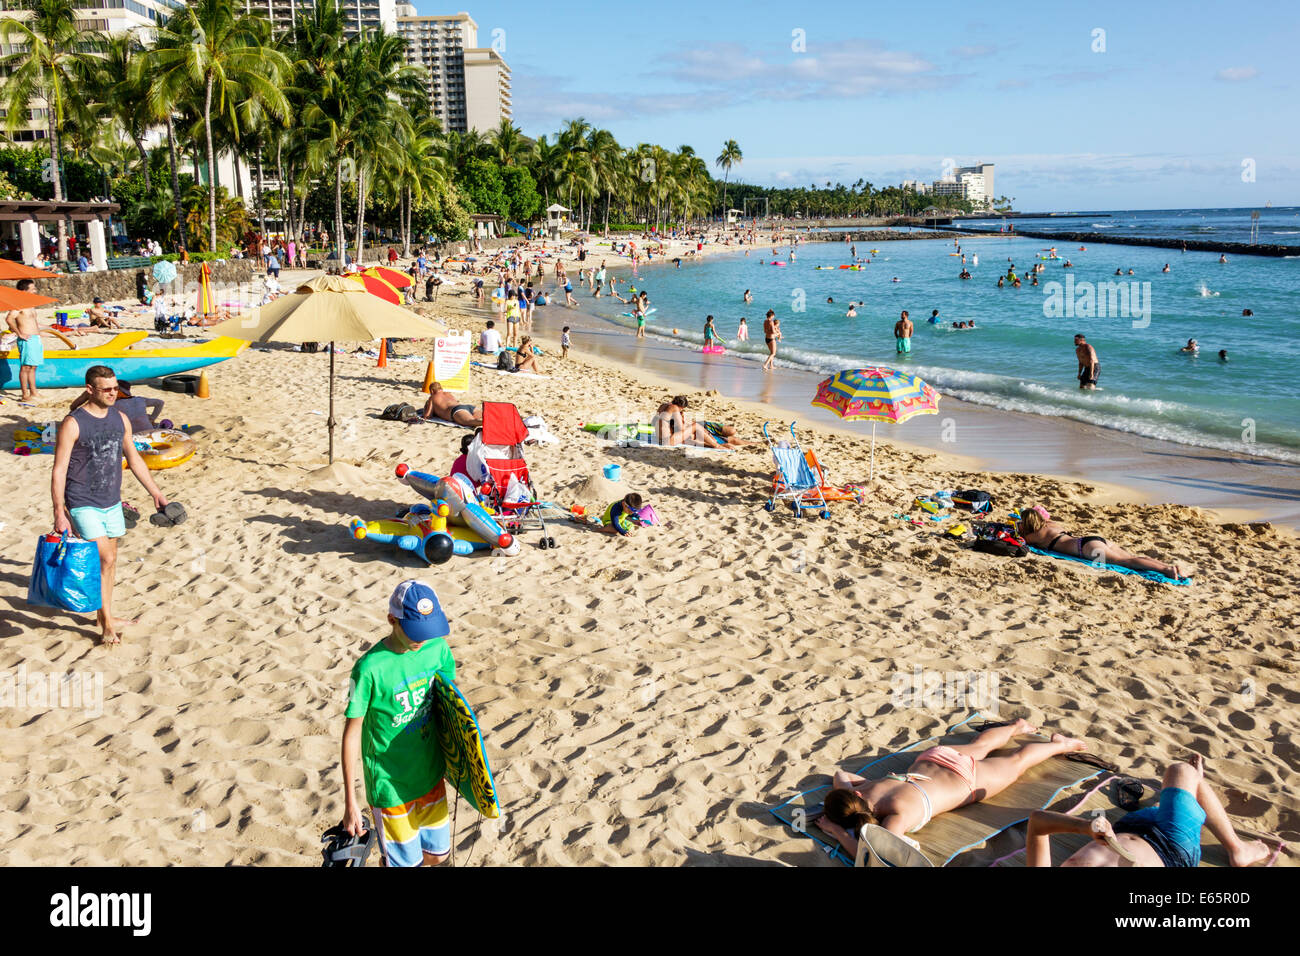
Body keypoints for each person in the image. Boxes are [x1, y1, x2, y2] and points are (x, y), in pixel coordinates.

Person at [815, 720, 1087, 856]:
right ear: (854, 796)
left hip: (965, 780)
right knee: (982, 745)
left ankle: (1064, 745)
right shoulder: (865, 790)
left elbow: (874, 854)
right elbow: (840, 774)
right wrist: (844, 792)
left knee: (1018, 761)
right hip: (935, 758)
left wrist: (837, 831)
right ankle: (1018, 726)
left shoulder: (896, 817)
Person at [339, 580, 456, 867]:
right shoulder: (368, 669)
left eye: (428, 631)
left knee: (439, 857)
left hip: (431, 776)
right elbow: (351, 735)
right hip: (391, 786)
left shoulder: (436, 649)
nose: (422, 640)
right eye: (415, 632)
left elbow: (451, 706)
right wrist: (350, 803)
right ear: (392, 619)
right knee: (406, 864)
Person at [51, 365, 170, 646]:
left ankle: (104, 615)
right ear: (90, 390)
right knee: (105, 558)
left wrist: (155, 492)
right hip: (81, 501)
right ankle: (105, 626)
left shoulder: (120, 418)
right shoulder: (73, 422)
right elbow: (59, 469)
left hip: (111, 500)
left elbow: (135, 458)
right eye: (107, 389)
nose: (113, 393)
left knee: (110, 563)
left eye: (115, 388)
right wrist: (59, 511)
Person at [1026, 754, 1272, 868]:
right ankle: (1238, 849)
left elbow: (1037, 822)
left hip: (1127, 828)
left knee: (1167, 799)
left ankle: (1194, 788)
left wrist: (1085, 827)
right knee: (1181, 772)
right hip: (1172, 849)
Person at [1017, 503, 1185, 578]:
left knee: (1125, 562)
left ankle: (1169, 569)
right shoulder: (1051, 524)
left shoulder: (1035, 535)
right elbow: (1041, 514)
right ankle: (1167, 567)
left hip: (1087, 549)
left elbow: (1021, 539)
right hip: (1094, 539)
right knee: (1131, 558)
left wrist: (1017, 527)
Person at [5, 279, 55, 401]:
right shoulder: (18, 305)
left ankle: (34, 392)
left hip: (35, 338)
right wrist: (19, 333)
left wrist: (49, 328)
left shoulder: (31, 305)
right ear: (24, 291)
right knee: (25, 367)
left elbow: (33, 322)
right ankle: (25, 395)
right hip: (27, 339)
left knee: (33, 367)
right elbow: (9, 319)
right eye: (32, 289)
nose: (35, 291)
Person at [71, 379, 161, 432]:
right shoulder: (139, 399)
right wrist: (152, 418)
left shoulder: (112, 404)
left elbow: (74, 406)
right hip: (149, 433)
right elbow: (160, 402)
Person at [653, 395, 724, 449]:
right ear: (682, 407)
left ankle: (712, 445)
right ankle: (717, 445)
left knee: (690, 441)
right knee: (695, 426)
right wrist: (688, 426)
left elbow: (653, 422)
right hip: (668, 441)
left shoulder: (663, 406)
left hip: (659, 440)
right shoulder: (675, 408)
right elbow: (681, 429)